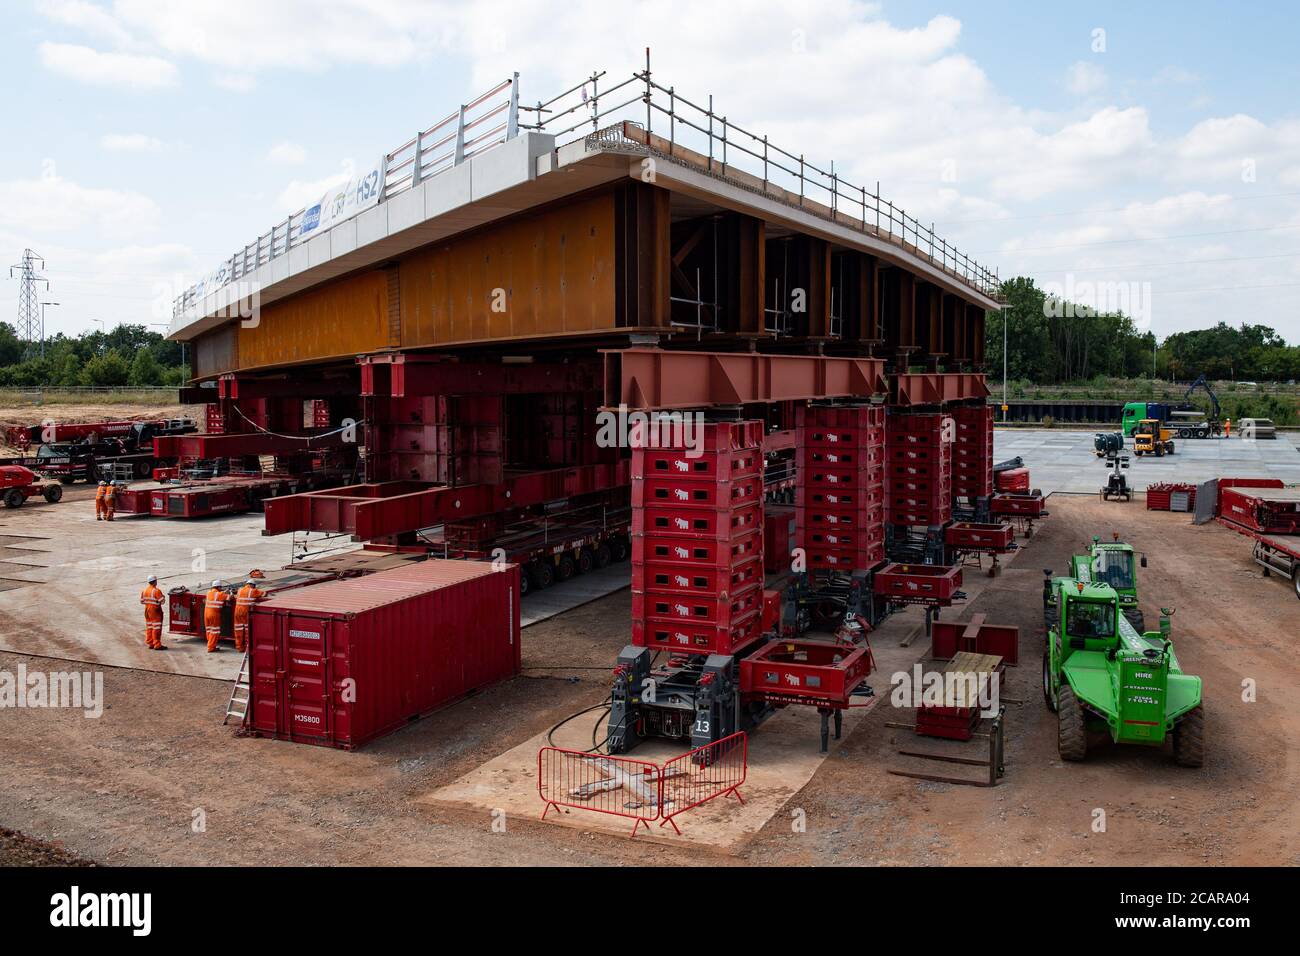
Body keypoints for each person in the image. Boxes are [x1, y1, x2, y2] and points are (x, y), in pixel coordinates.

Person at [233, 578, 265, 653]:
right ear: (252, 585)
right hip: (246, 612)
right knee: (248, 629)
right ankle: (248, 647)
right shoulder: (253, 591)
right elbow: (264, 593)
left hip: (237, 612)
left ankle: (239, 647)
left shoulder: (240, 590)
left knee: (238, 629)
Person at [139, 575, 166, 650]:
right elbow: (162, 601)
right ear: (155, 582)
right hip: (155, 611)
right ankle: (157, 644)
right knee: (156, 628)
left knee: (149, 627)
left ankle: (150, 643)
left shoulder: (144, 591)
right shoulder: (156, 591)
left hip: (147, 611)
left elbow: (142, 601)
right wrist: (163, 597)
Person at [204, 580, 228, 653]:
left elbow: (215, 595)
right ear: (218, 587)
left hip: (206, 614)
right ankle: (211, 647)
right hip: (214, 615)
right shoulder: (220, 594)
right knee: (215, 631)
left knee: (209, 630)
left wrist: (223, 592)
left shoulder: (208, 593)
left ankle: (211, 644)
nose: (221, 588)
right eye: (220, 587)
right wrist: (228, 592)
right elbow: (230, 598)